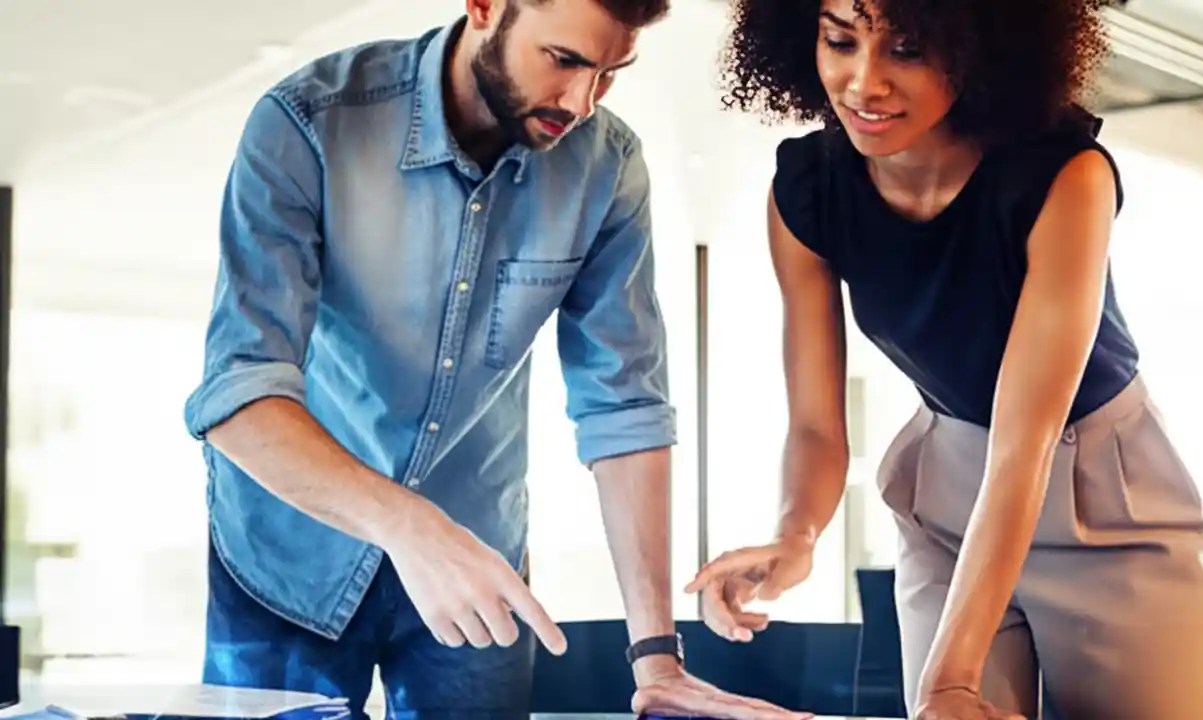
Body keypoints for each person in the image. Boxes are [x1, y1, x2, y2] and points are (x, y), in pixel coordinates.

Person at [183, 1, 805, 717]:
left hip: (481, 572)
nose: (581, 102)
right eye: (565, 61)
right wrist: (411, 526)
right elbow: (239, 392)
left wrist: (656, 660)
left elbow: (624, 405)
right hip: (287, 561)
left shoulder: (607, 167)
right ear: (484, 7)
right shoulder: (309, 121)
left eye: (609, 73)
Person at [685, 0, 1203, 718]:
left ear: (978, 51)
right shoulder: (807, 192)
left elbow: (1022, 445)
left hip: (1105, 501)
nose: (863, 83)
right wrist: (796, 533)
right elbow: (816, 425)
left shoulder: (1064, 176)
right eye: (840, 40)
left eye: (906, 49)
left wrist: (950, 681)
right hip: (948, 501)